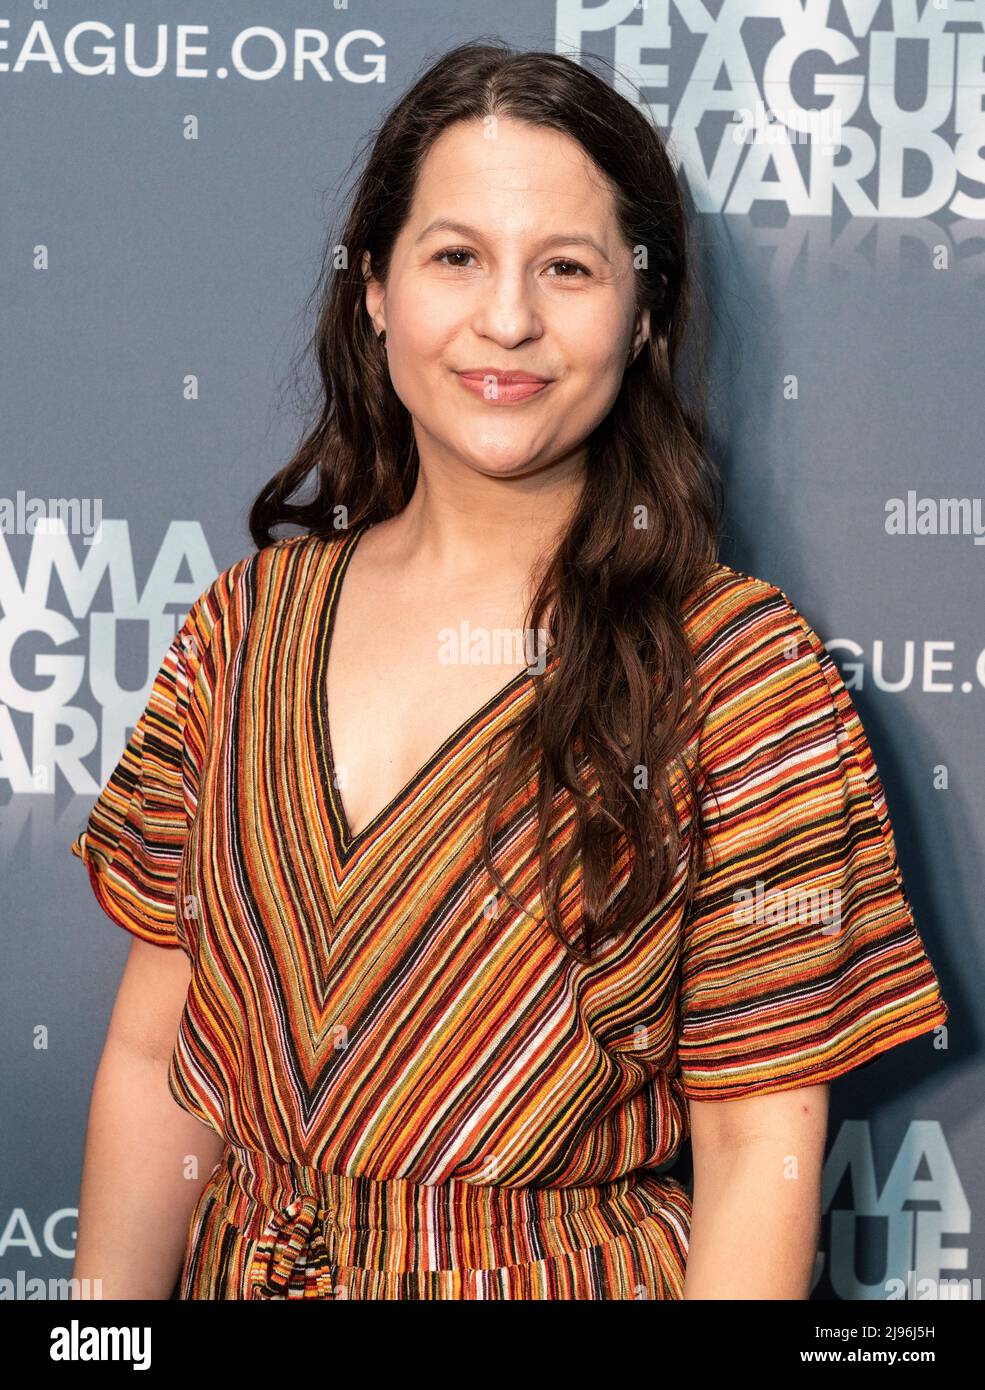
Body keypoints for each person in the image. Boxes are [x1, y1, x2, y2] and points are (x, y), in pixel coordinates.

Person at [69, 41, 949, 1301]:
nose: (508, 320)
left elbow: (761, 1146)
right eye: (455, 256)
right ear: (373, 288)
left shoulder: (741, 670)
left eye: (568, 269)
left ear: (643, 315)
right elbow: (162, 1053)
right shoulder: (242, 626)